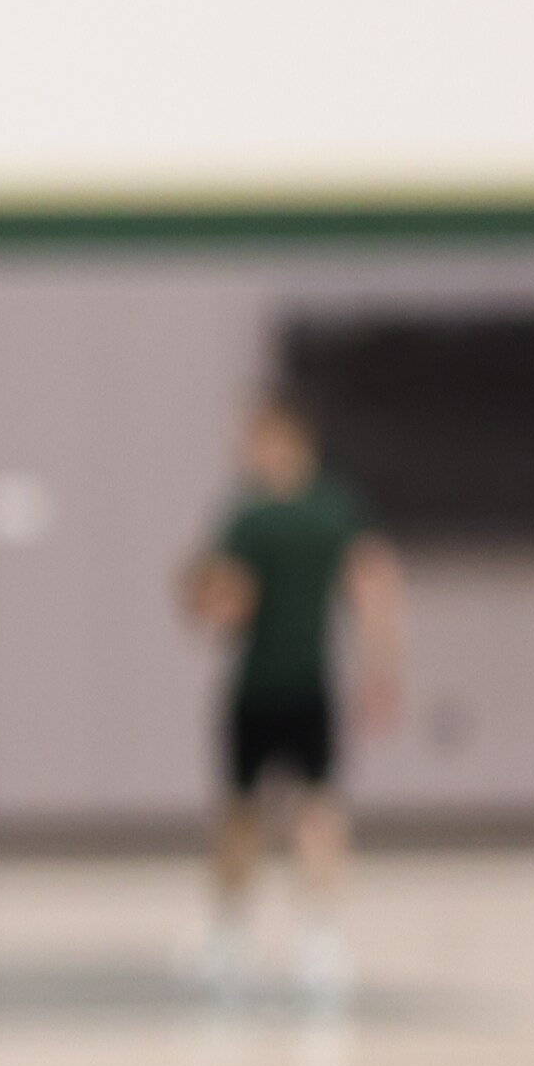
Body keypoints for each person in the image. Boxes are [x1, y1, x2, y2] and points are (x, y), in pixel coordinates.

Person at [181, 393, 400, 1004]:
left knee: (318, 813)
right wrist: (207, 600)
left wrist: (381, 667)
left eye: (259, 441)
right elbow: (220, 605)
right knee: (240, 815)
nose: (251, 454)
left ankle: (320, 936)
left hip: (308, 682)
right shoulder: (246, 518)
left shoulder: (329, 512)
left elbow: (372, 585)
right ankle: (229, 933)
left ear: (291, 440)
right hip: (254, 684)